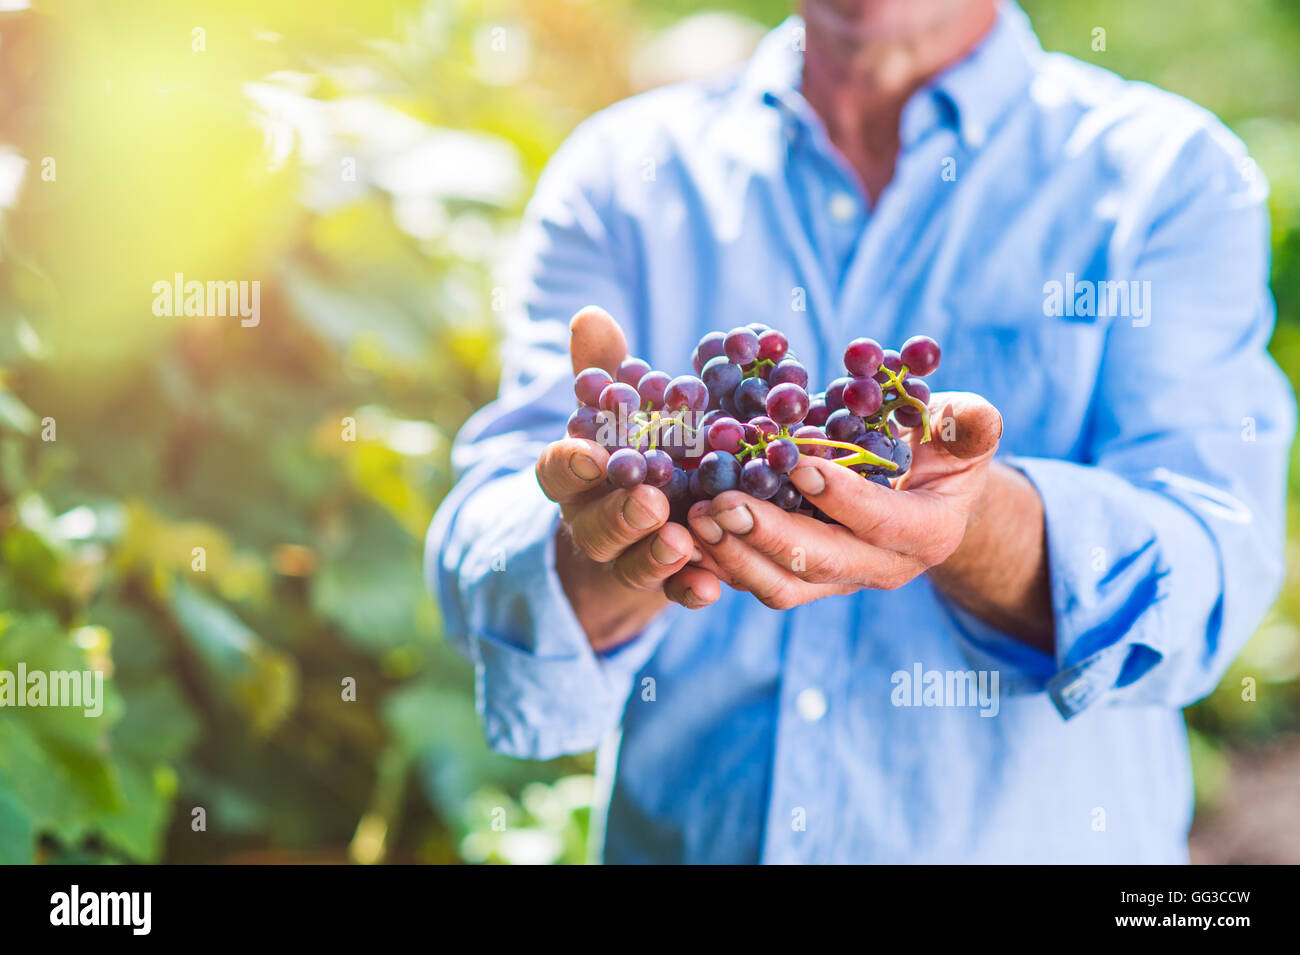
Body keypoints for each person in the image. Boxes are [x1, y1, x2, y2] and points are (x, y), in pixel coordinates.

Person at [426, 0, 1295, 863]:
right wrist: (598, 543)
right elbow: (482, 553)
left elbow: (1211, 565)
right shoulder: (622, 173)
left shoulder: (1167, 175)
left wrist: (977, 524)